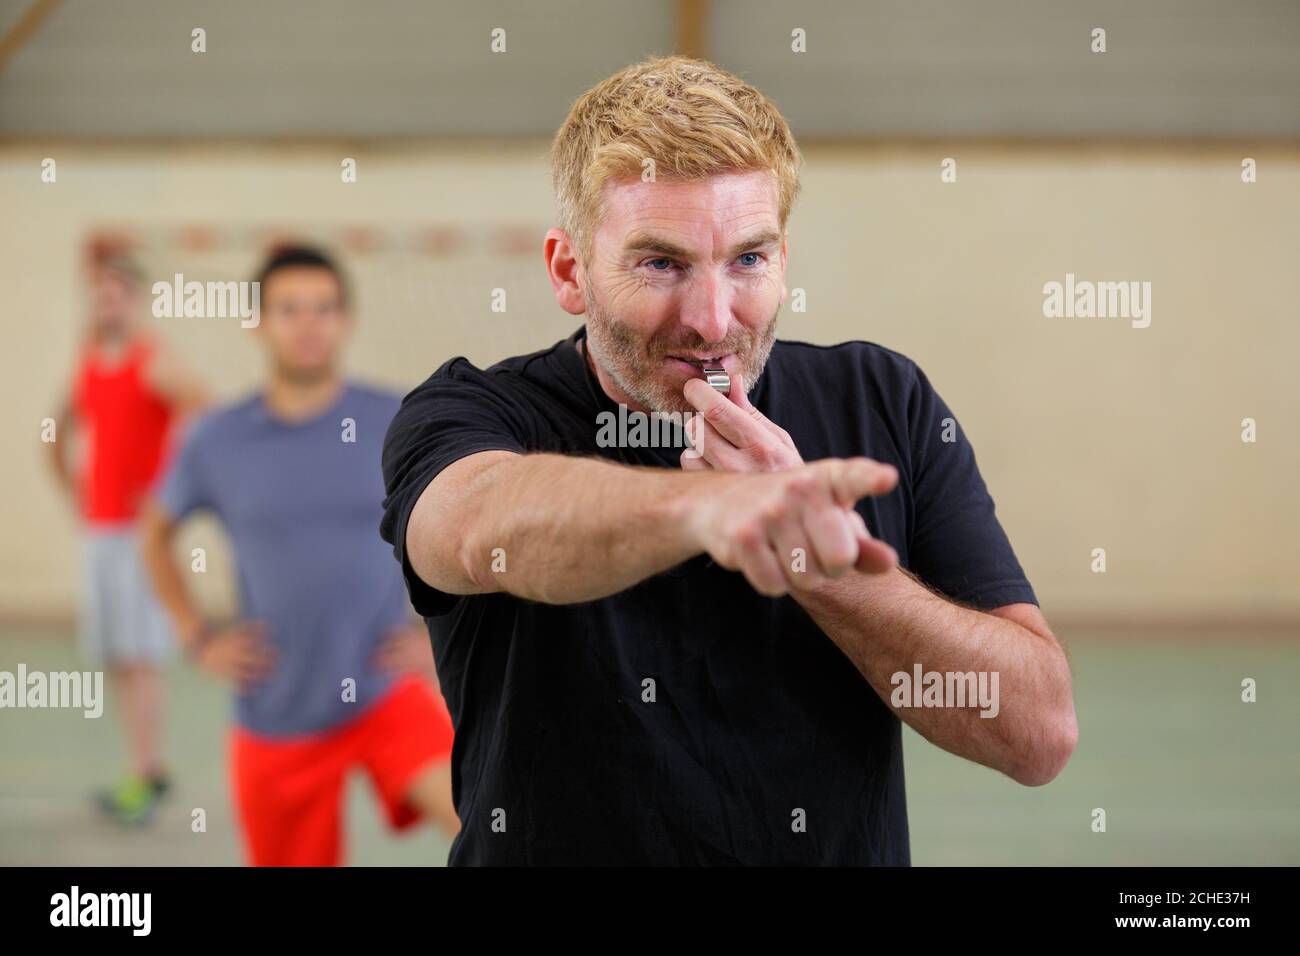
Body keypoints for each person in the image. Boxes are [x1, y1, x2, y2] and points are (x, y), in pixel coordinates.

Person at [380, 56, 1078, 866]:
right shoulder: (471, 412)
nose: (714, 323)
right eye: (660, 264)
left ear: (784, 257)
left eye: (748, 259)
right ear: (570, 272)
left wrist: (823, 561)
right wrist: (703, 511)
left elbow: (1038, 735)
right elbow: (475, 528)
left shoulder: (881, 400)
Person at [140, 246, 458, 866]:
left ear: (345, 320)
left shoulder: (395, 420)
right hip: (277, 710)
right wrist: (197, 635)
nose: (309, 324)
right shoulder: (217, 438)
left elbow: (467, 524)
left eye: (324, 308)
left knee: (493, 824)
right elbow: (152, 535)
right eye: (289, 309)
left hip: (382, 691)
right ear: (257, 323)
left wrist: (440, 638)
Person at [49, 253, 207, 826]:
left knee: (141, 657)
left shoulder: (154, 364)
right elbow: (54, 434)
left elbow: (205, 411)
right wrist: (76, 494)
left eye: (116, 294)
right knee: (117, 654)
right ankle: (140, 768)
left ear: (135, 301)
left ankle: (148, 773)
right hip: (99, 532)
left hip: (140, 539)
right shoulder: (86, 366)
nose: (105, 304)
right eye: (98, 295)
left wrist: (169, 496)